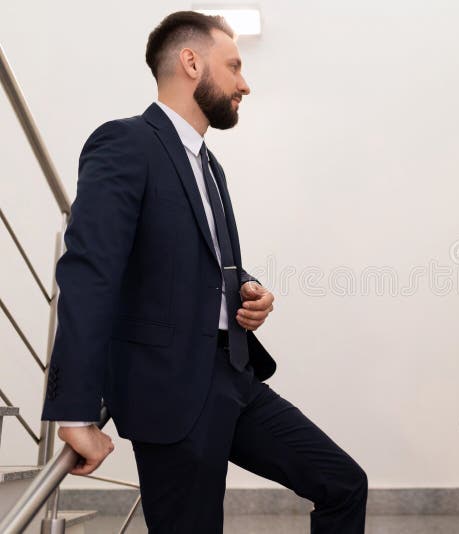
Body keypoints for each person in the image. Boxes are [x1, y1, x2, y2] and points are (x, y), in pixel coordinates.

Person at [41, 11, 367, 533]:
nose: (245, 83)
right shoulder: (124, 143)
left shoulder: (207, 164)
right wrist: (74, 411)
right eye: (234, 66)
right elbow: (89, 274)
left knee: (344, 483)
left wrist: (247, 288)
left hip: (233, 376)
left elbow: (194, 261)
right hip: (169, 392)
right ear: (191, 62)